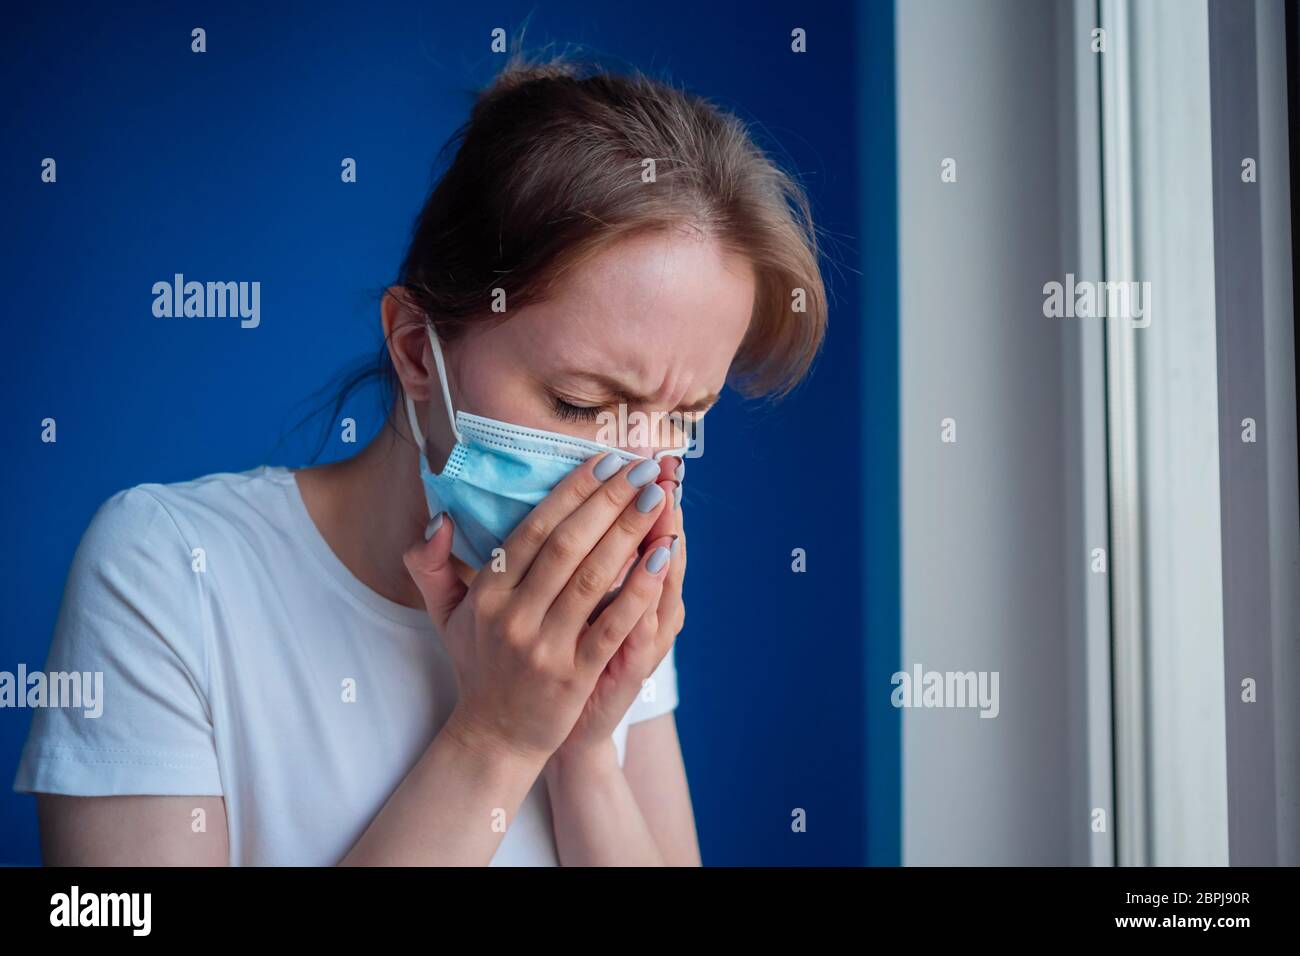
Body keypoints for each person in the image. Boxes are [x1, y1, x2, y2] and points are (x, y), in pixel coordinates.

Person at [14, 56, 827, 865]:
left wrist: (582, 746)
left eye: (685, 419)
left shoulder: (594, 599)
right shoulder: (166, 571)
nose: (634, 478)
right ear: (414, 352)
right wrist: (497, 739)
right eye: (580, 405)